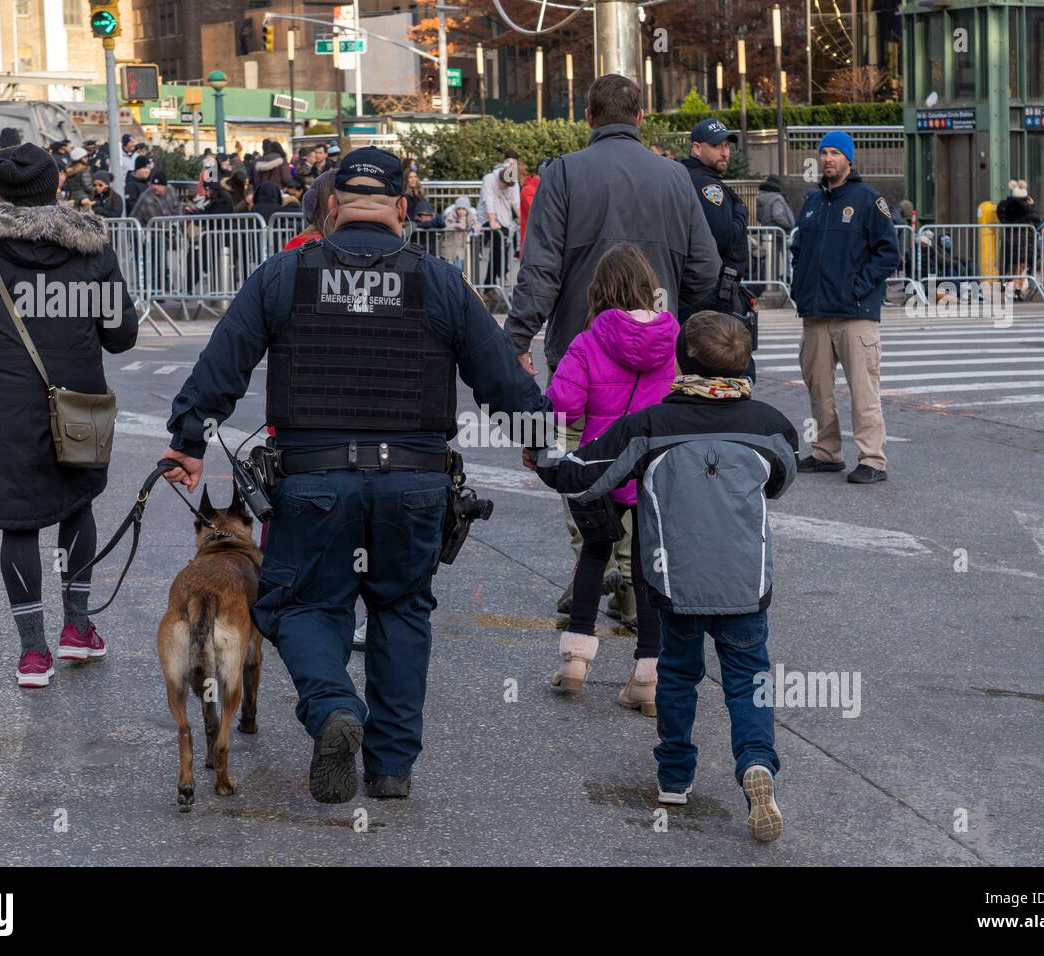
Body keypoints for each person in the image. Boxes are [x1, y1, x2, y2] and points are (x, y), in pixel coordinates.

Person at [157, 147, 550, 803]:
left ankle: (335, 706)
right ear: (403, 209)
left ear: (332, 206)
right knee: (401, 609)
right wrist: (540, 440)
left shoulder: (282, 276)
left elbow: (222, 364)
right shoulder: (442, 281)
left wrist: (188, 438)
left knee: (304, 605)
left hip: (313, 486)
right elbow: (502, 380)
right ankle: (391, 769)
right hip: (415, 487)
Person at [532, 311, 798, 843]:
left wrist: (541, 457)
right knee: (749, 680)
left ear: (682, 359)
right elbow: (780, 481)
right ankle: (758, 766)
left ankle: (675, 777)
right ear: (746, 362)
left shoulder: (651, 425)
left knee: (678, 674)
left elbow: (584, 477)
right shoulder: (770, 426)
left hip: (673, 581)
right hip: (745, 582)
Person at [505, 73, 719, 617]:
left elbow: (541, 268)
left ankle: (591, 564)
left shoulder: (563, 174)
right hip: (658, 355)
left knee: (577, 456)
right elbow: (706, 269)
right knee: (647, 462)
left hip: (582, 348)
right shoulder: (675, 178)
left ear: (588, 117)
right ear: (641, 117)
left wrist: (518, 336)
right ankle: (634, 578)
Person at [0, 143, 139, 687]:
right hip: (79, 402)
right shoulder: (92, 252)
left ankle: (32, 654)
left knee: (17, 521)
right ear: (54, 190)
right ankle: (77, 629)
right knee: (77, 503)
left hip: (0, 409)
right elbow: (122, 336)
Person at [543, 243, 676, 716]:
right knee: (647, 569)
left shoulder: (589, 340)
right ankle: (648, 675)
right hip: (655, 470)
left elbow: (563, 408)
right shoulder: (673, 338)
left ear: (600, 291)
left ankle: (576, 660)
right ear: (647, 286)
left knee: (594, 557)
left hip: (601, 468)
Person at [788, 129, 899, 484]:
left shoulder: (868, 200)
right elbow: (798, 250)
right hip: (816, 313)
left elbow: (889, 253)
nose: (828, 159)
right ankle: (826, 452)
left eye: (835, 152)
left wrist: (859, 288)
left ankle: (872, 459)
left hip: (855, 315)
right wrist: (799, 286)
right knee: (818, 389)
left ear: (849, 159)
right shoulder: (812, 201)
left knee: (863, 390)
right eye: (823, 153)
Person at [679, 119, 754, 380]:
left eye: (726, 145)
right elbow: (724, 237)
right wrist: (742, 212)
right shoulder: (708, 185)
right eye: (716, 146)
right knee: (735, 370)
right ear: (697, 148)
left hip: (690, 291)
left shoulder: (682, 177)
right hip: (713, 292)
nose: (725, 152)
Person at [475, 149, 519, 290]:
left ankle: (491, 283)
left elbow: (516, 203)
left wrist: (525, 222)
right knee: (498, 246)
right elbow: (489, 201)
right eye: (504, 184)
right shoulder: (489, 179)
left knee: (501, 250)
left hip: (504, 220)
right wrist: (492, 220)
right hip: (487, 218)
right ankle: (495, 279)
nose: (506, 187)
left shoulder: (514, 182)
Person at [995, 180, 1039, 298]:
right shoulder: (1025, 208)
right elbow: (1036, 218)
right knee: (1020, 268)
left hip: (1010, 241)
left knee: (1012, 267)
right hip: (1024, 242)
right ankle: (1017, 292)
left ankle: (1010, 291)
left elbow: (1001, 216)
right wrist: (1031, 206)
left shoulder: (1005, 206)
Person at [754, 173, 795, 287]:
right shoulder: (777, 197)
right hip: (779, 232)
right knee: (785, 255)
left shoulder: (760, 197)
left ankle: (771, 281)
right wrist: (788, 225)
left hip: (767, 232)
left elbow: (758, 216)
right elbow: (778, 215)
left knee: (771, 258)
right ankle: (786, 278)